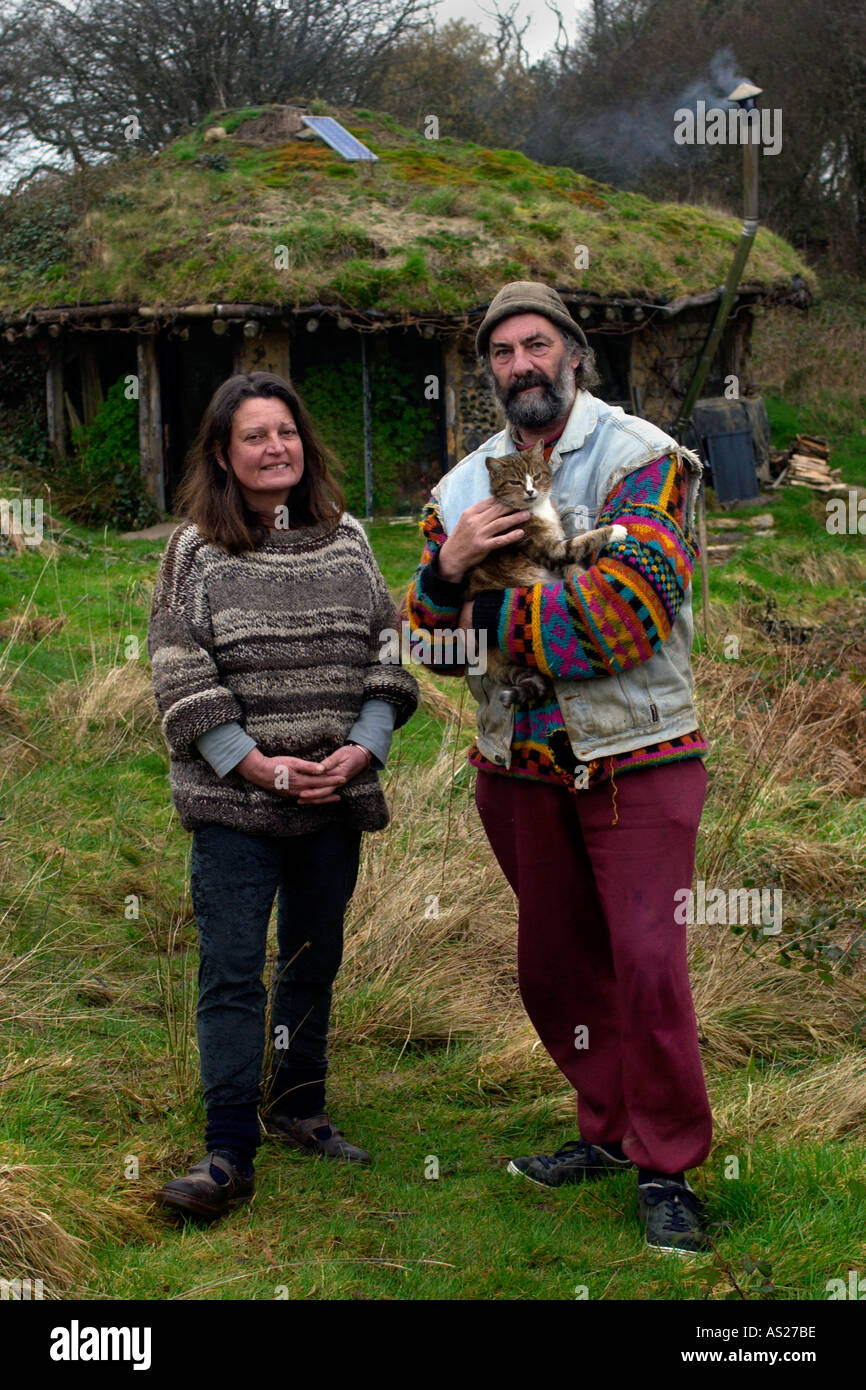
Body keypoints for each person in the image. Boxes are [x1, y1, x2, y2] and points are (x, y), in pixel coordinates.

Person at [405, 282, 713, 1255]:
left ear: (571, 354)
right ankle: (608, 1131)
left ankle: (668, 1165)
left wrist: (479, 610)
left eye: (534, 345)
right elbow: (435, 653)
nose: (518, 365)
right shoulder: (462, 491)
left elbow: (624, 616)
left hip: (636, 756)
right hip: (518, 767)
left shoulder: (642, 459)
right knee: (555, 969)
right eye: (500, 353)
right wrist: (439, 576)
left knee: (649, 966)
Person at [147, 371, 418, 1220]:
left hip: (332, 798)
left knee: (312, 957)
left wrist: (362, 748)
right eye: (255, 436)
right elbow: (178, 670)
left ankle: (299, 1106)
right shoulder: (195, 551)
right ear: (223, 456)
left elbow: (388, 649)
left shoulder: (349, 542)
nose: (275, 448)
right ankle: (229, 1149)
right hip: (234, 803)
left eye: (287, 432)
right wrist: (252, 764)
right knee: (232, 969)